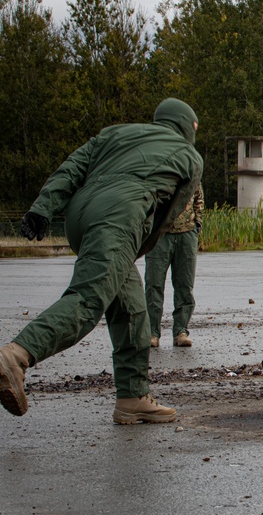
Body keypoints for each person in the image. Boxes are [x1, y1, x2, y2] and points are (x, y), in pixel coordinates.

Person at [0, 98, 203, 424]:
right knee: (88, 298)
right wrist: (132, 249)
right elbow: (167, 217)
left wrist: (42, 208)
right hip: (119, 217)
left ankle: (133, 397)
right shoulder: (190, 157)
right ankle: (16, 356)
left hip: (80, 216)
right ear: (186, 126)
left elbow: (73, 167)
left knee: (133, 309)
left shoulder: (114, 133)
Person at [144, 183, 204, 348]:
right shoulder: (158, 169)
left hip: (186, 233)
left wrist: (197, 223)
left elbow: (198, 197)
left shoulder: (190, 167)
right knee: (153, 284)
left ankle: (181, 332)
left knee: (184, 285)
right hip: (159, 235)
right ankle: (151, 333)